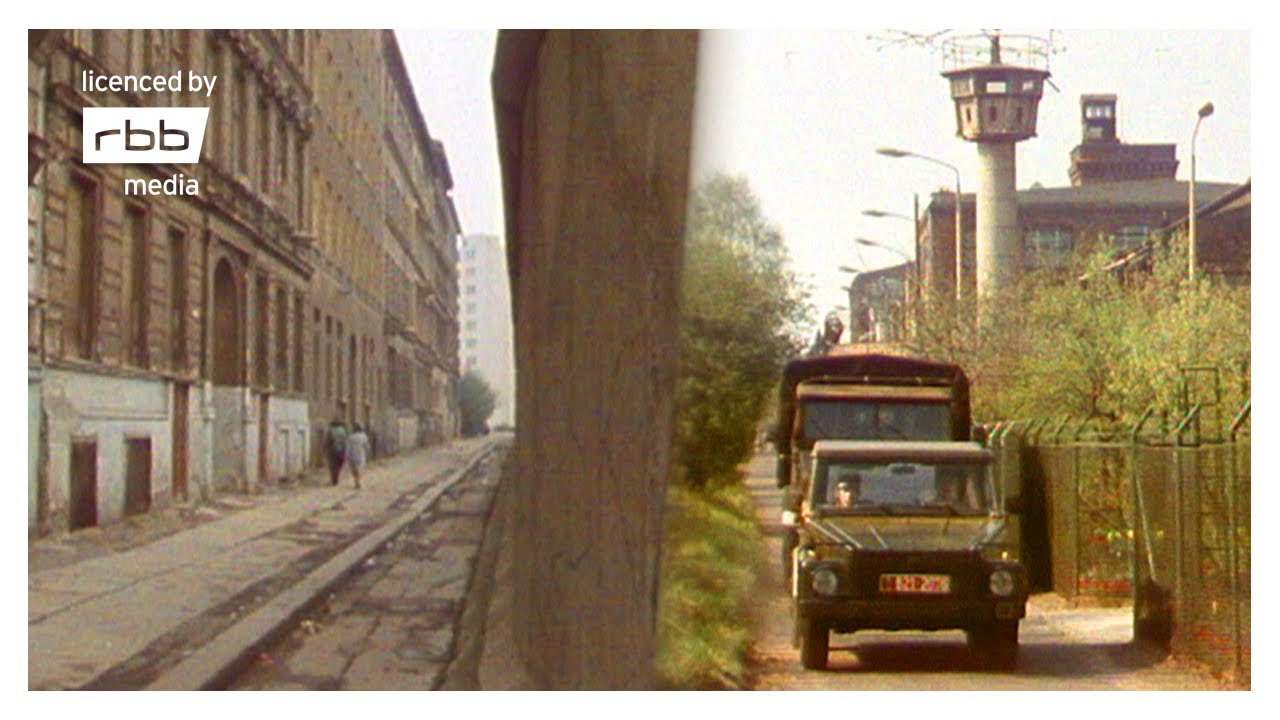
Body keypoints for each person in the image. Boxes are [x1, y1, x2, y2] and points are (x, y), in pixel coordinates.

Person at [322, 419, 348, 487]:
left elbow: (327, 441)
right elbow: (345, 442)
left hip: (332, 451)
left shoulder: (330, 431)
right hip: (341, 451)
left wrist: (324, 450)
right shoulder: (343, 431)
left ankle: (334, 480)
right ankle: (336, 479)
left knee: (332, 466)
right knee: (339, 465)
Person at [345, 423, 371, 489]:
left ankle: (356, 481)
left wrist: (347, 455)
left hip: (352, 455)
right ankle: (358, 482)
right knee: (360, 468)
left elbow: (348, 447)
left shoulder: (350, 437)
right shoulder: (363, 436)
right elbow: (367, 446)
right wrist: (368, 452)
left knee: (354, 469)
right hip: (360, 454)